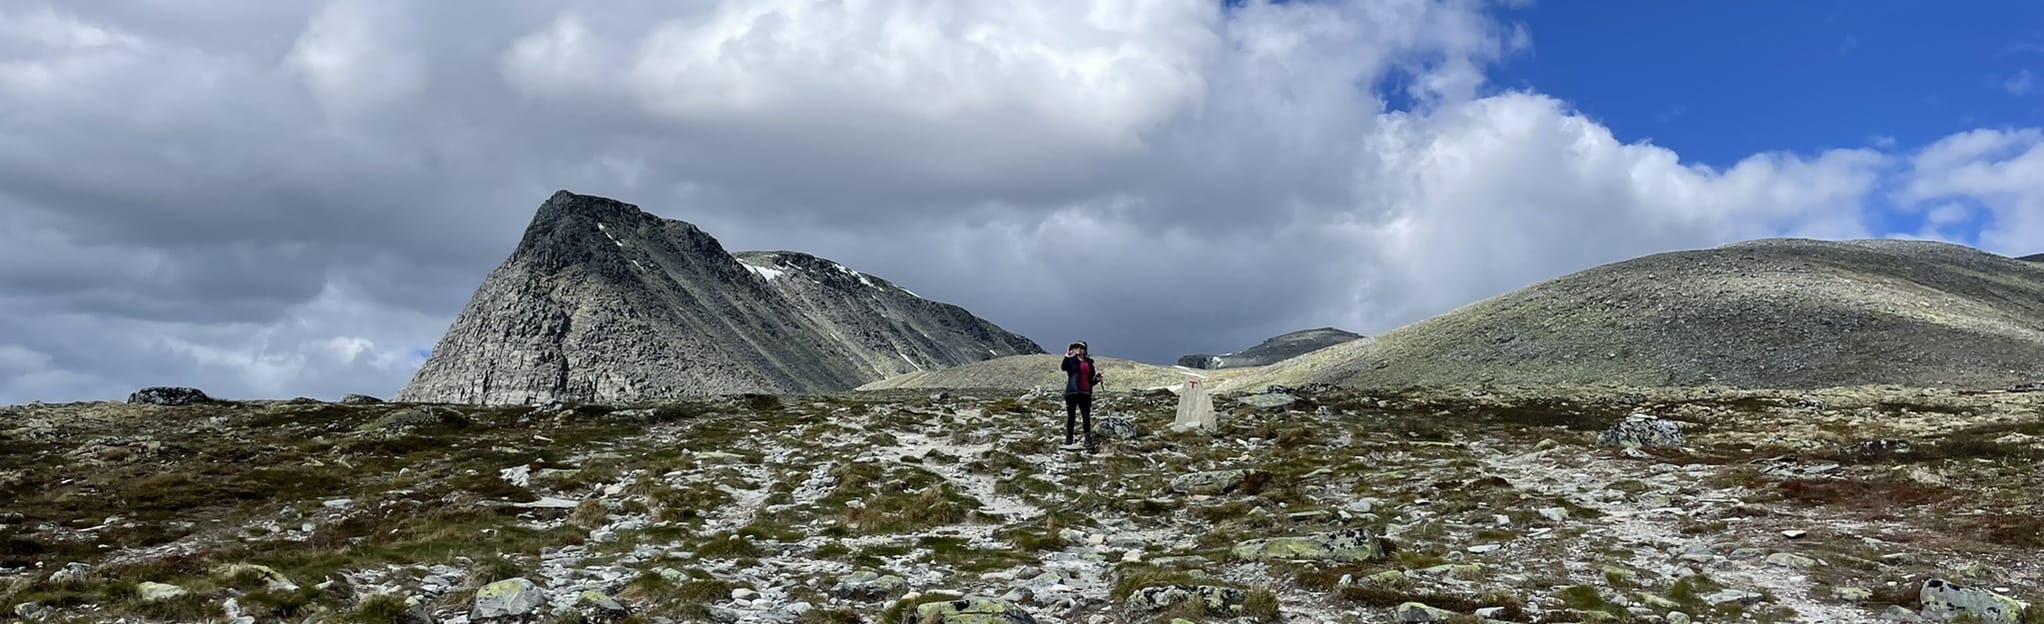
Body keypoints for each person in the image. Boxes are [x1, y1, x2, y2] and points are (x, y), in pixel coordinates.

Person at [1059, 340, 1103, 452]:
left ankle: (1088, 439)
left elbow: (1090, 381)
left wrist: (1096, 380)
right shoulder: (1071, 360)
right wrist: (1067, 355)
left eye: (1081, 347)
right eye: (1076, 347)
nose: (1079, 349)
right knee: (1071, 416)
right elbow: (1063, 367)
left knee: (1086, 416)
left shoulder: (1089, 363)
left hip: (1085, 393)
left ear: (1085, 350)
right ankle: (1069, 438)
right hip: (1072, 392)